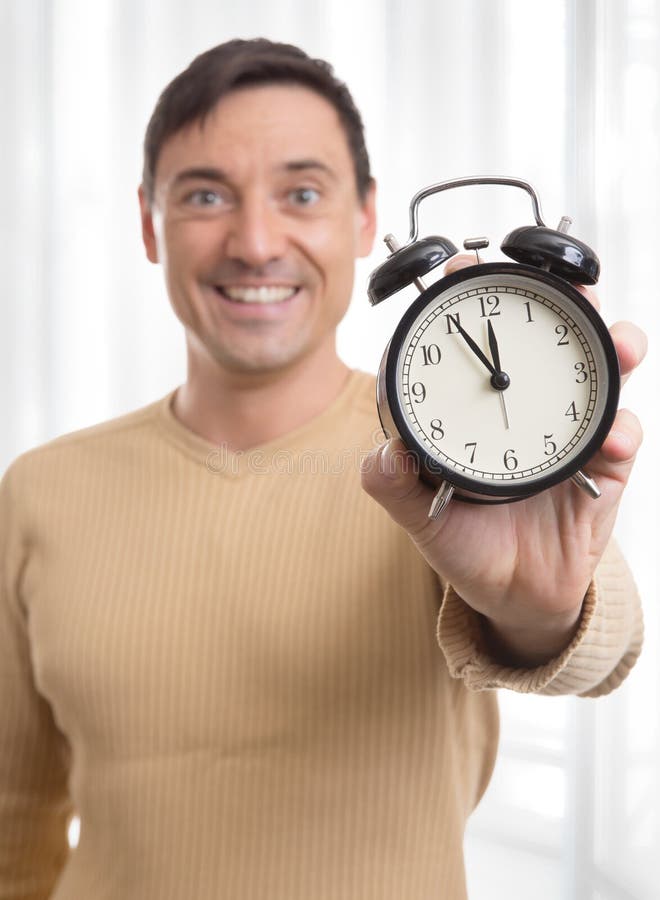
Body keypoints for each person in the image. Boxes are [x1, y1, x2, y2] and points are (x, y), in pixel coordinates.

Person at [0, 38, 645, 900]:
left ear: (365, 219)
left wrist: (544, 612)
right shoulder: (40, 491)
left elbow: (600, 647)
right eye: (204, 195)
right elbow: (12, 824)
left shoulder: (450, 474)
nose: (255, 242)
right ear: (149, 224)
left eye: (301, 193)